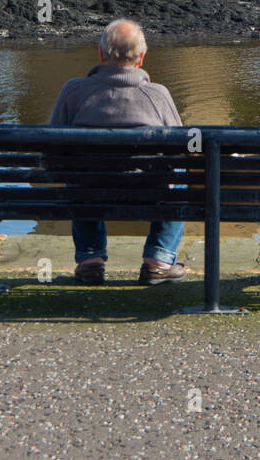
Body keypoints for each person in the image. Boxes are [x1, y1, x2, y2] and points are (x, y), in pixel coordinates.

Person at [47, 18, 188, 287]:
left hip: (88, 190)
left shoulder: (73, 92)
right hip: (148, 191)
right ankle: (158, 261)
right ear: (142, 57)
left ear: (101, 54)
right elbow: (181, 150)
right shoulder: (158, 95)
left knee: (77, 174)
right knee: (180, 177)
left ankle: (90, 260)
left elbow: (52, 150)